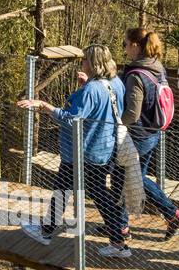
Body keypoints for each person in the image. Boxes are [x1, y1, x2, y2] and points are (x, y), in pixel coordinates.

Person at [17, 44, 131, 257]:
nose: (82, 63)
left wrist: (44, 106)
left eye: (85, 60)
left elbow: (72, 119)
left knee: (73, 191)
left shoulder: (91, 90)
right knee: (82, 191)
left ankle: (117, 242)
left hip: (83, 152)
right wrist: (85, 87)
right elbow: (109, 108)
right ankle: (117, 240)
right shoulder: (115, 83)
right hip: (104, 149)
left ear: (94, 63)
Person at [120, 28, 179, 239]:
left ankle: (122, 228)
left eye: (125, 45)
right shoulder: (157, 68)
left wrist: (114, 123)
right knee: (132, 179)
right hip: (153, 133)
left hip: (136, 136)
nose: (124, 50)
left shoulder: (135, 75)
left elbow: (132, 112)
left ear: (135, 46)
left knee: (123, 178)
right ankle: (122, 226)